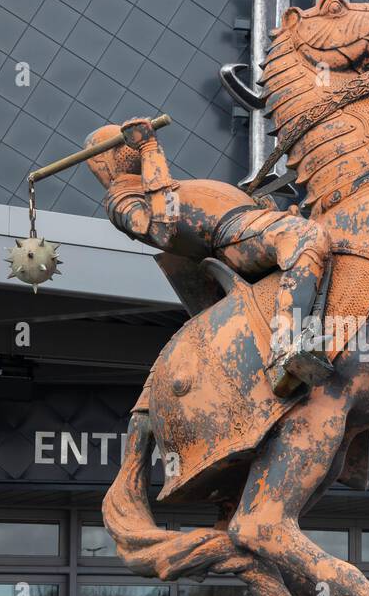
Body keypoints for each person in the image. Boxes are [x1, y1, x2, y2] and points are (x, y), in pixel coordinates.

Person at [85, 117, 332, 396]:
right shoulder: (123, 199)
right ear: (104, 163)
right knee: (303, 237)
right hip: (230, 237)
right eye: (119, 145)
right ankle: (286, 351)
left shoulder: (164, 183)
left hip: (249, 224)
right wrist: (150, 148)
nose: (128, 146)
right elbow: (163, 228)